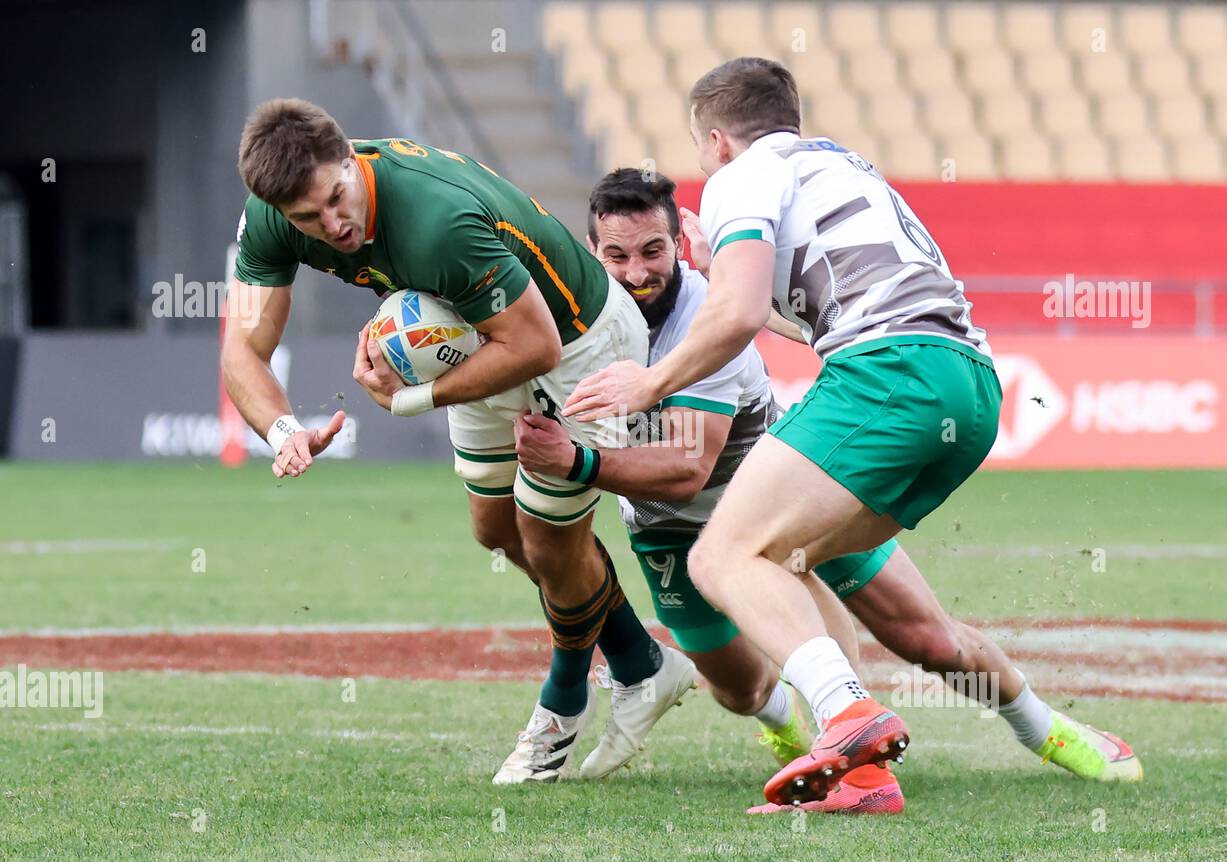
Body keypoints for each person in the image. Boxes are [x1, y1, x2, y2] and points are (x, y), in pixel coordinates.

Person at [563, 61, 1141, 807]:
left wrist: (647, 383)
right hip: (965, 384)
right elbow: (804, 313)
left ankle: (844, 719)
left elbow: (735, 316)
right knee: (889, 615)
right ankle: (1020, 737)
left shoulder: (740, 176)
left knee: (724, 555)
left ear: (716, 139)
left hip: (885, 377)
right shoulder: (841, 164)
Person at [221, 98, 694, 787]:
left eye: (336, 198)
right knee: (496, 531)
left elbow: (536, 343)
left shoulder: (435, 220)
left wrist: (411, 398)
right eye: (307, 220)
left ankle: (562, 709)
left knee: (547, 536)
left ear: (350, 159)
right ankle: (643, 665)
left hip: (582, 341)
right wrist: (282, 429)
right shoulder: (268, 217)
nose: (333, 226)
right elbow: (242, 346)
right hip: (482, 333)